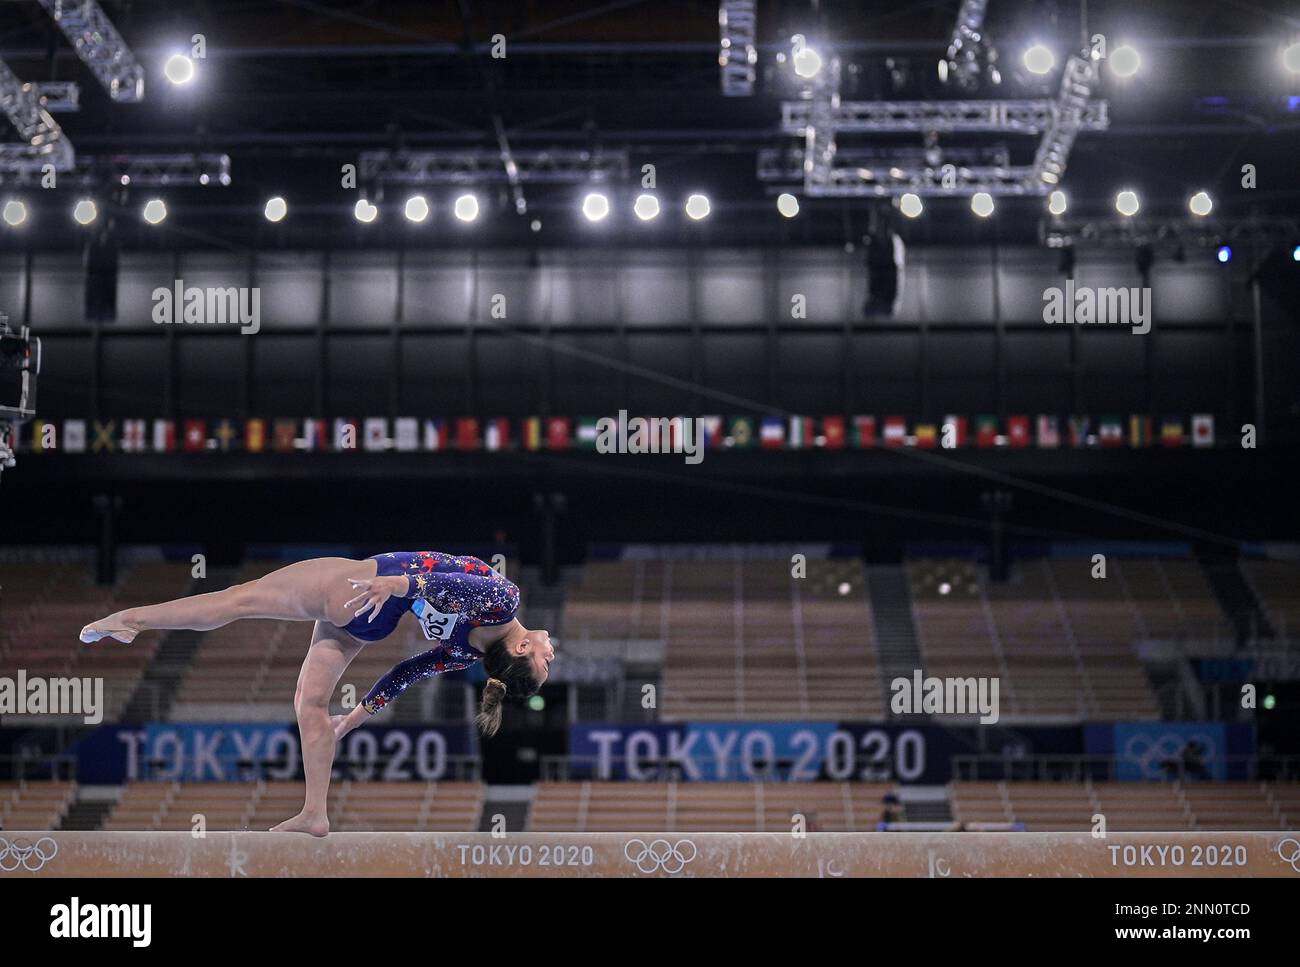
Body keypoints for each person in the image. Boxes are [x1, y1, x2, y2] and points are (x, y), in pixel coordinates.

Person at [80, 550, 555, 835]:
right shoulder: (467, 653)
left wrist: (400, 581)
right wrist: (350, 720)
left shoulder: (506, 602)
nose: (551, 651)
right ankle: (314, 812)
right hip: (372, 618)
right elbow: (405, 672)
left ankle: (131, 620)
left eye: (543, 659)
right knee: (311, 706)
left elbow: (455, 586)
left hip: (363, 589)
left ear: (520, 646)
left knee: (237, 601)